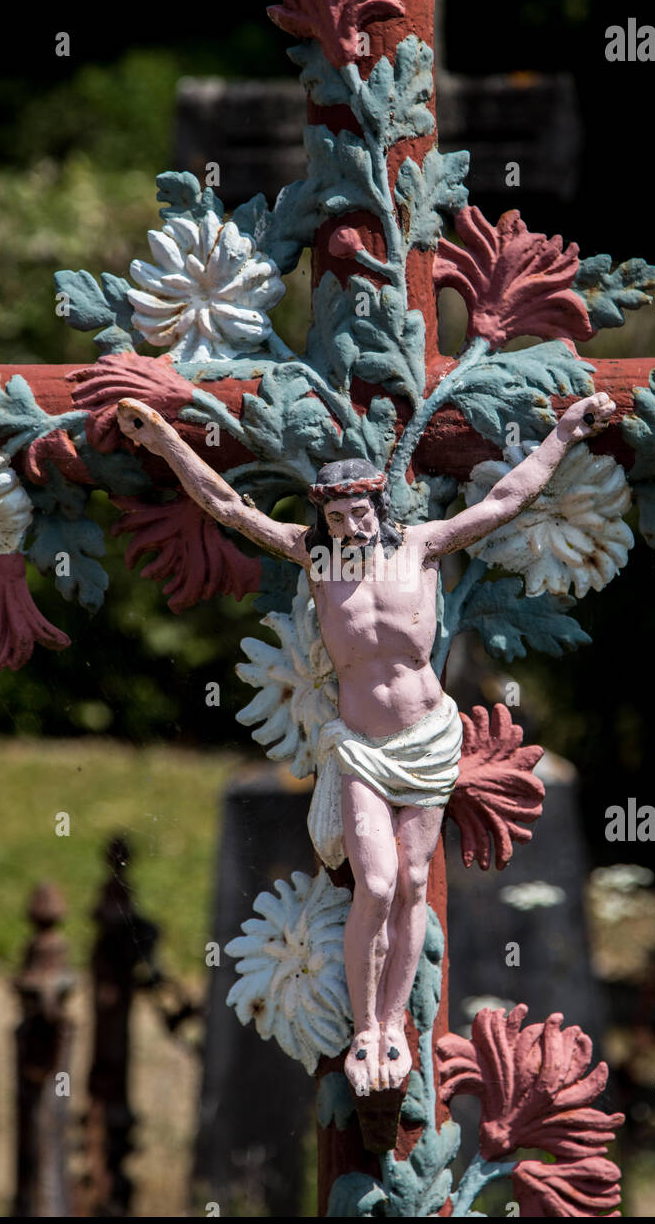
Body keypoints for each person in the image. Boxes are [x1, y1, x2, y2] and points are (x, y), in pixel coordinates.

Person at [117, 389, 615, 1095]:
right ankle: (366, 1030)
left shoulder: (420, 546)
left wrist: (565, 431)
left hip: (427, 738)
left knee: (412, 884)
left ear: (378, 507)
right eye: (335, 514)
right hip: (358, 748)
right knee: (374, 883)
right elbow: (227, 507)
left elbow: (505, 499)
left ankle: (394, 1029)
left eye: (359, 511)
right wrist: (166, 441)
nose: (349, 523)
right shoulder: (315, 560)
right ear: (322, 516)